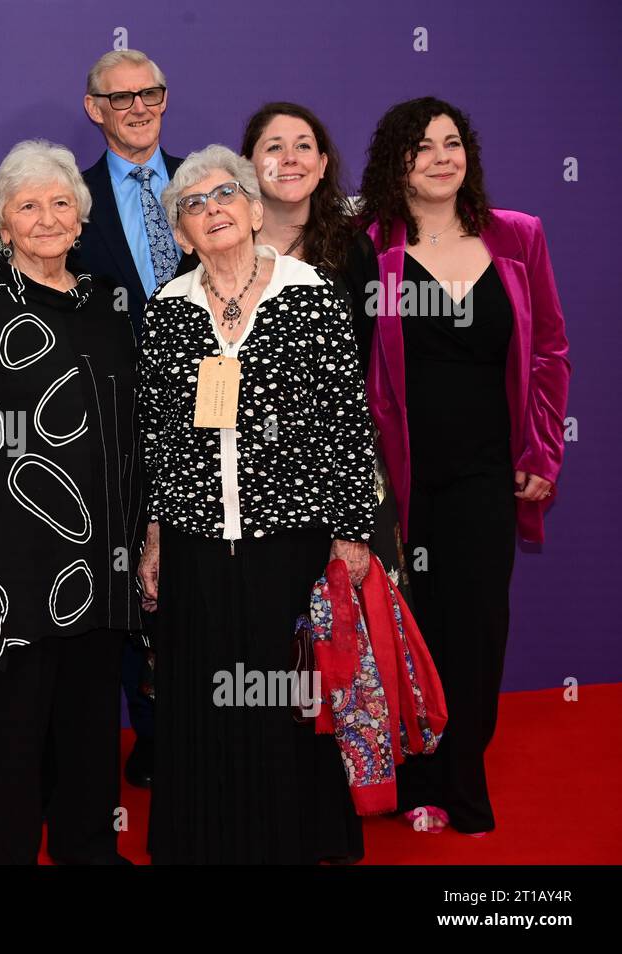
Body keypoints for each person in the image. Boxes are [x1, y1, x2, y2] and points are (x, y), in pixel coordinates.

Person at [138, 145, 376, 864]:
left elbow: (346, 419)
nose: (212, 210)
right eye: (194, 204)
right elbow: (155, 435)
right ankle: (206, 842)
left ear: (251, 206)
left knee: (284, 694)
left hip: (290, 538)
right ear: (180, 233)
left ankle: (290, 840)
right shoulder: (168, 311)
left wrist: (351, 531)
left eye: (224, 195)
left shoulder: (308, 292)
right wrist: (153, 536)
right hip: (195, 539)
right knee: (203, 698)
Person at [0, 140, 141, 865]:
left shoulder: (112, 306)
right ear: (2, 226)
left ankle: (89, 855)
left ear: (81, 219)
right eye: (27, 205)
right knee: (8, 746)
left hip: (102, 569)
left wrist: (148, 538)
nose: (47, 218)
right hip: (7, 570)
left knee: (88, 743)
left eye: (60, 203)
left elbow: (141, 431)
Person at [357, 97, 570, 836]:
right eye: (423, 147)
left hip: (488, 473)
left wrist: (541, 450)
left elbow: (548, 351)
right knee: (415, 626)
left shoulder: (517, 237)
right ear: (396, 162)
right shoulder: (369, 246)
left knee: (479, 627)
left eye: (453, 143)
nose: (442, 156)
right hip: (401, 479)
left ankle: (464, 778)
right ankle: (416, 777)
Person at [242, 102, 410, 618]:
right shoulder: (221, 245)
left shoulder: (354, 252)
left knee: (347, 629)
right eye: (274, 147)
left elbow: (365, 365)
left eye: (303, 147)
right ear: (249, 165)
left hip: (336, 465)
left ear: (321, 165)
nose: (289, 159)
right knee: (263, 624)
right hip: (246, 470)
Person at [72, 47, 182, 789]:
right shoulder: (67, 202)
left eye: (149, 94)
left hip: (211, 424)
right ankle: (143, 732)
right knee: (122, 582)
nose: (137, 107)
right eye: (120, 98)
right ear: (93, 109)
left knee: (192, 579)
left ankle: (191, 727)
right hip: (106, 429)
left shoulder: (215, 184)